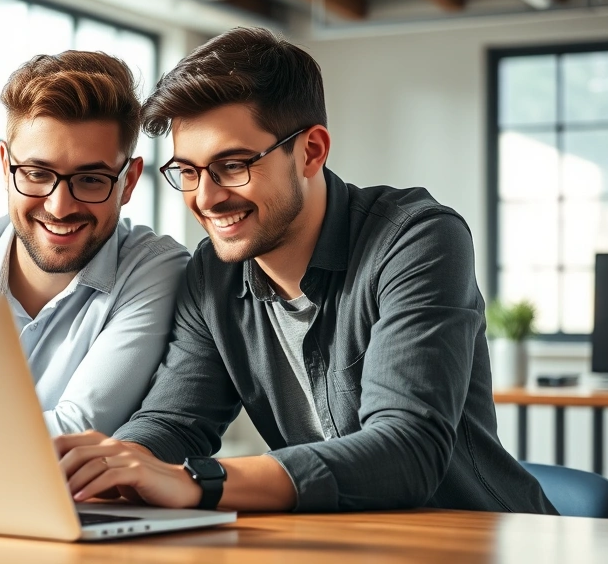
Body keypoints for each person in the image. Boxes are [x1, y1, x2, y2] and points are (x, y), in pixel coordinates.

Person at [56, 27, 556, 515]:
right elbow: (175, 421)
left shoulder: (417, 239)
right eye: (188, 171)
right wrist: (115, 467)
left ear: (311, 151)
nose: (205, 198)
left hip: (482, 539)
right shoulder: (213, 275)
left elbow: (406, 451)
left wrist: (197, 481)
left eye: (232, 165)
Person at [0, 51, 189, 436]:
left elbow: (76, 430)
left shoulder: (154, 270)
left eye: (91, 179)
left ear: (128, 182)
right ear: (5, 168)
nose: (60, 206)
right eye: (36, 173)